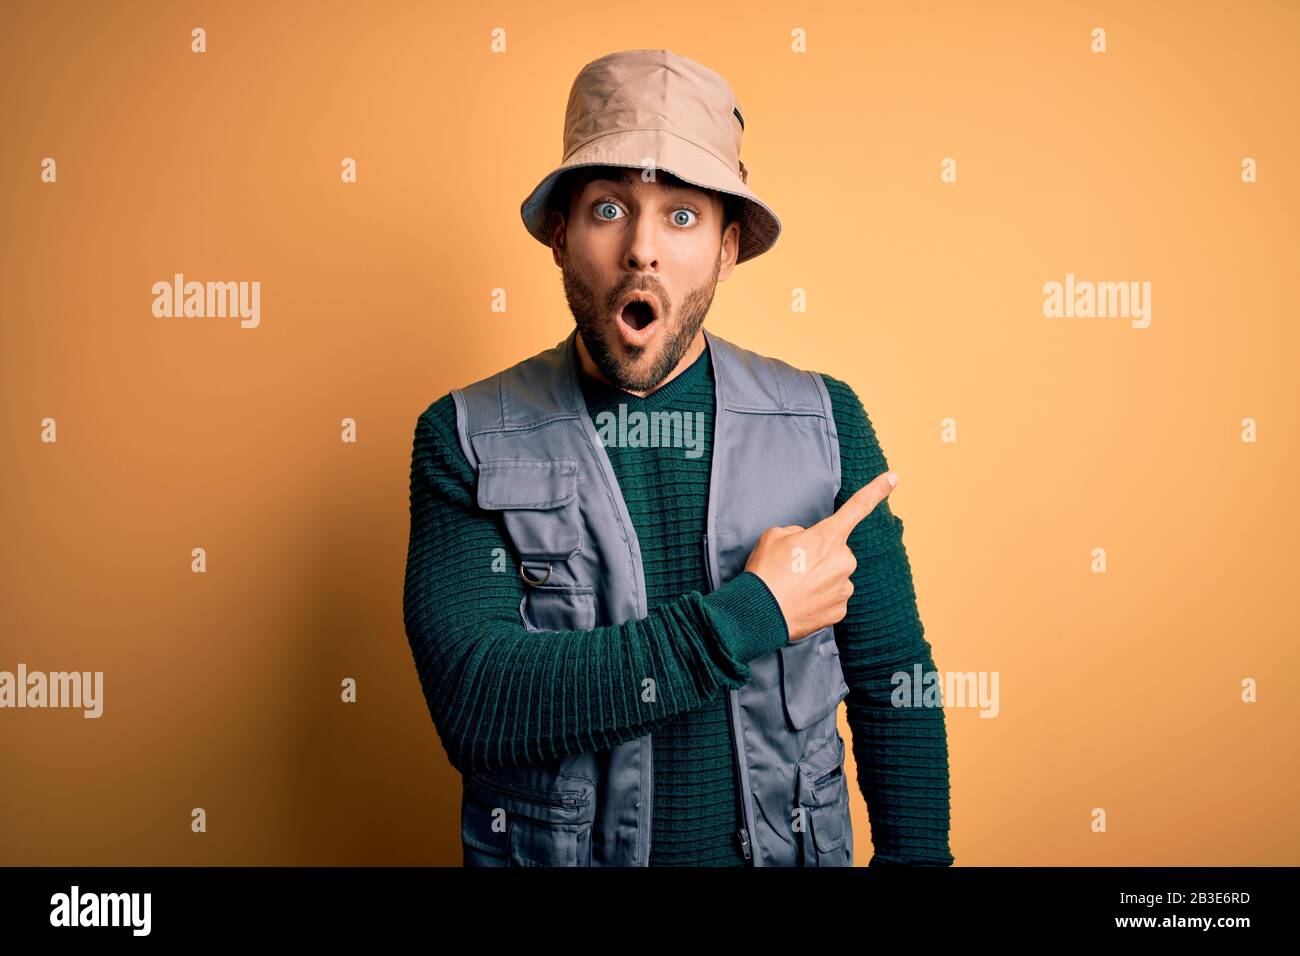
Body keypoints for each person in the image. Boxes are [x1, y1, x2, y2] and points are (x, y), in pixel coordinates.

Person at [403, 49, 953, 867]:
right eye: (608, 209)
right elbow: (478, 703)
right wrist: (752, 613)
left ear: (728, 249)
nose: (642, 251)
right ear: (559, 235)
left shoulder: (825, 421)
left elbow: (894, 685)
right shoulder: (465, 436)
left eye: (683, 217)